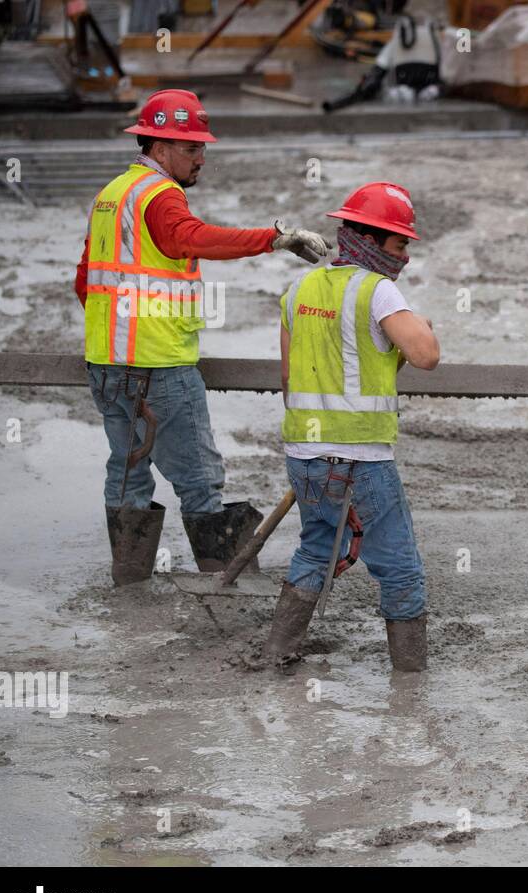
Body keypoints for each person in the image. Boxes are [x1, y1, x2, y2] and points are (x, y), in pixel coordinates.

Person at [77, 88, 331, 585]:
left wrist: (121, 329)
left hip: (108, 365)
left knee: (127, 473)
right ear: (160, 147)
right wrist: (273, 237)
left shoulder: (112, 195)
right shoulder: (161, 196)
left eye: (202, 148)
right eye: (192, 149)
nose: (202, 158)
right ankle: (226, 584)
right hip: (160, 368)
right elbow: (190, 238)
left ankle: (129, 583)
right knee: (199, 482)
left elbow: (86, 280)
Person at [264, 182, 439, 673]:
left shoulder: (298, 289)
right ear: (372, 238)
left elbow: (286, 376)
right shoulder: (378, 290)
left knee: (318, 548)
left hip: (305, 455)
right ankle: (411, 682)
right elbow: (426, 356)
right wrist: (419, 324)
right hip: (362, 459)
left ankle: (277, 651)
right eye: (400, 243)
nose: (404, 256)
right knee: (399, 566)